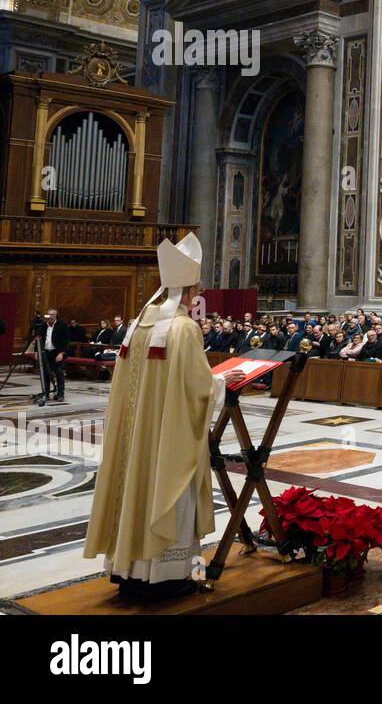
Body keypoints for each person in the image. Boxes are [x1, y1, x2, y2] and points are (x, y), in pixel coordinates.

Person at [83, 234, 247, 599]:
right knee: (171, 493)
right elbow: (197, 387)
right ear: (191, 290)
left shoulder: (138, 326)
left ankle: (129, 572)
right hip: (168, 435)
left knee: (134, 493)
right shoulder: (184, 328)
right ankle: (167, 577)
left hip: (135, 436)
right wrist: (222, 381)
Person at [39, 308, 70, 405]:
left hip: (57, 352)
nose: (50, 316)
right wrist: (37, 351)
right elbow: (39, 339)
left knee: (58, 371)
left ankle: (60, 393)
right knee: (45, 373)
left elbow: (65, 341)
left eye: (52, 314)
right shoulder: (44, 326)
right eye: (48, 315)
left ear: (56, 315)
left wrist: (61, 353)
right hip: (46, 352)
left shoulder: (62, 325)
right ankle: (46, 393)